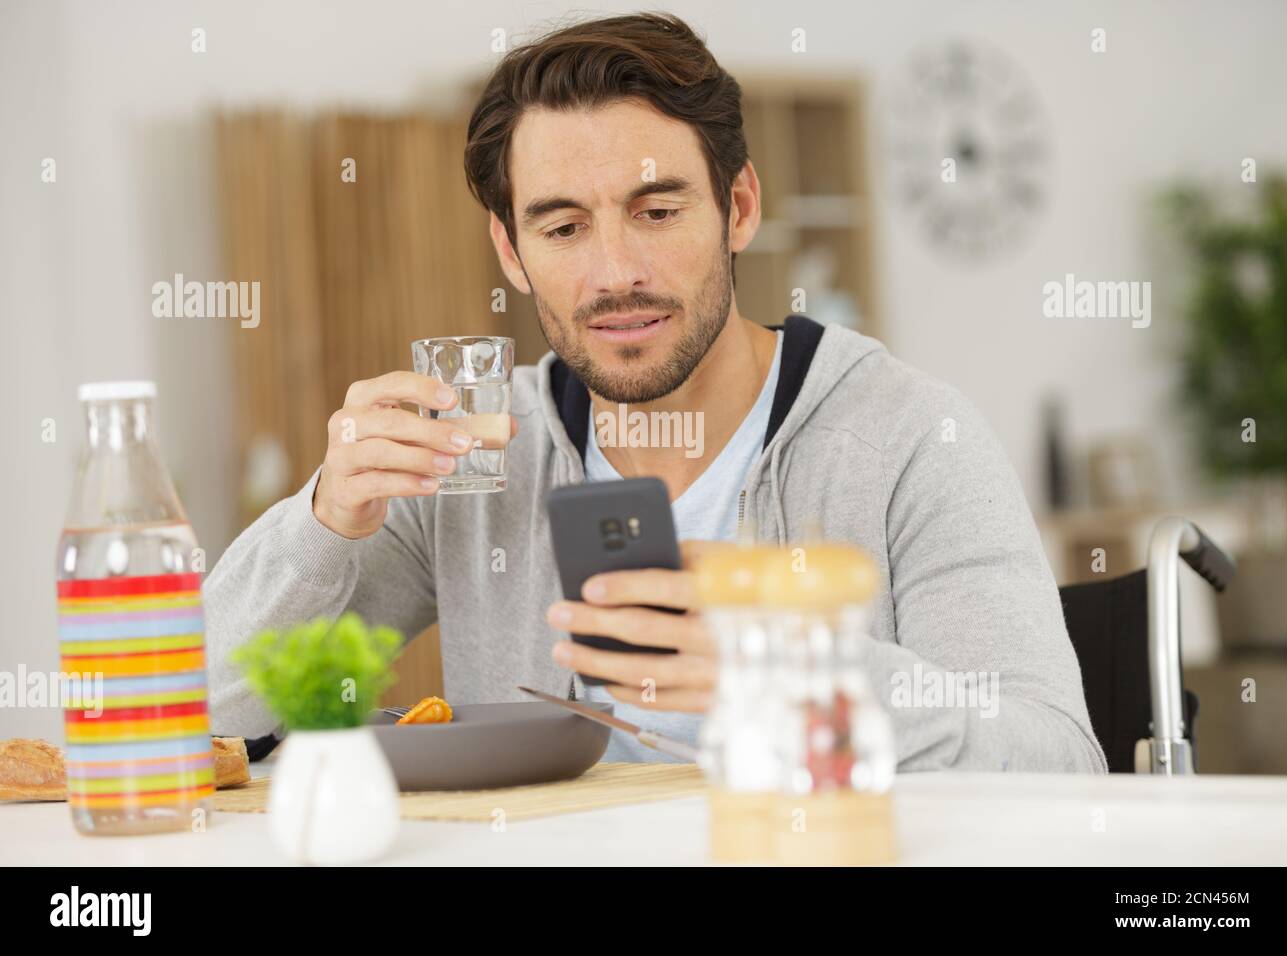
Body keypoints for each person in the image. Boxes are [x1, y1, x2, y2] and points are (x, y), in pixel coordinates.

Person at [206, 12, 1106, 772]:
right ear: (511, 254)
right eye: (563, 227)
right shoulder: (477, 453)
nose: (616, 273)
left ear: (740, 208)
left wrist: (808, 680)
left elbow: (1056, 755)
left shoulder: (911, 438)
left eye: (658, 212)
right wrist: (322, 525)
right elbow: (203, 712)